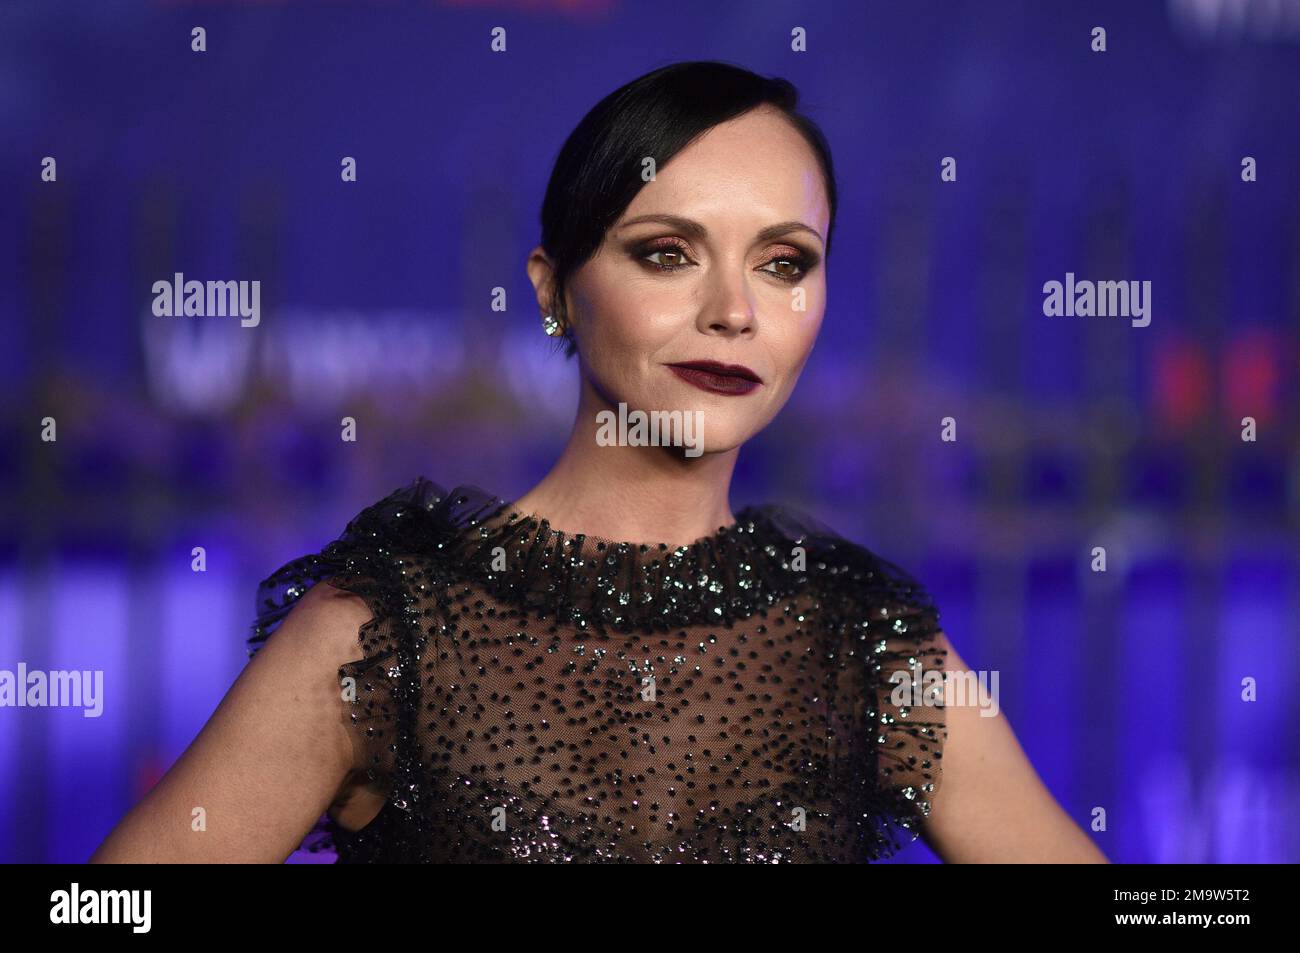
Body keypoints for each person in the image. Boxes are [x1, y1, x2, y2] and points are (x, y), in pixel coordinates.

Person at [90, 60, 1107, 864]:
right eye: (666, 252)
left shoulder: (859, 645)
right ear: (555, 289)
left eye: (784, 261)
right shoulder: (386, 632)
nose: (734, 311)